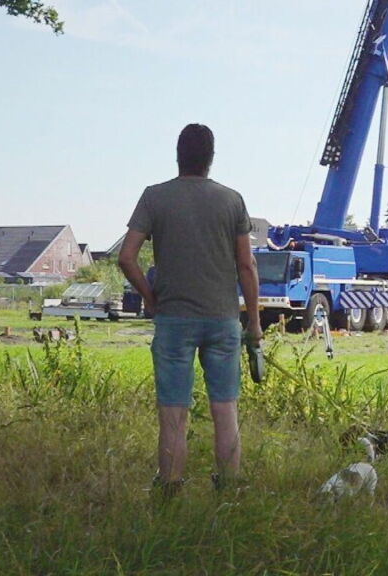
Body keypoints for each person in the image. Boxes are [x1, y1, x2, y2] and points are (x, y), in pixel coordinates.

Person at [118, 124, 261, 497]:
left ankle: (169, 491)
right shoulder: (232, 201)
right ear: (211, 159)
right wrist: (254, 323)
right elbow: (246, 266)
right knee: (225, 412)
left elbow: (127, 257)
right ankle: (228, 491)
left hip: (174, 321)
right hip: (223, 321)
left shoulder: (154, 197)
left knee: (173, 416)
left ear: (178, 155)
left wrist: (150, 298)